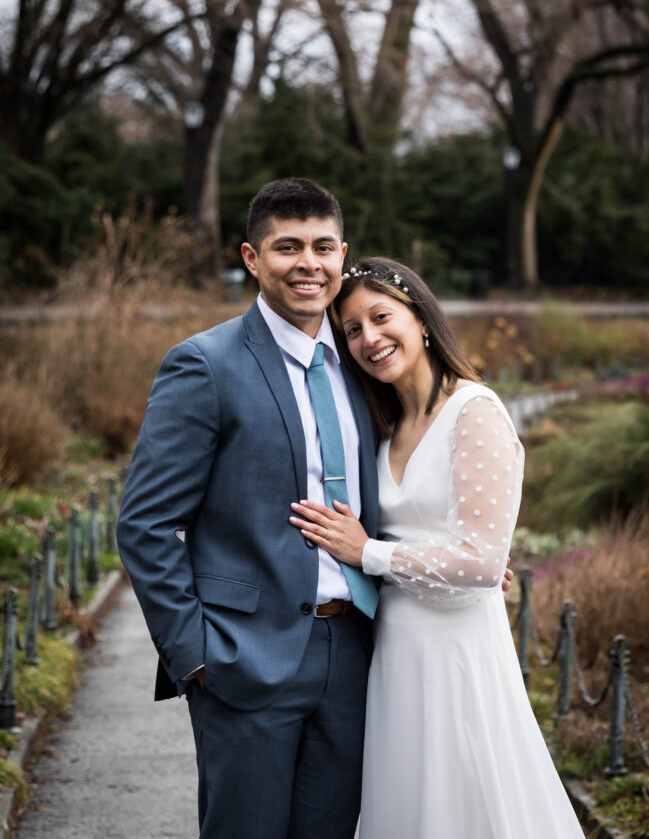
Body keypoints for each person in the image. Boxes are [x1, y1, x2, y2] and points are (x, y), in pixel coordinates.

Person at [117, 178, 379, 839]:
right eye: (286, 247)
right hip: (245, 657)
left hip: (356, 652)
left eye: (322, 247)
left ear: (342, 255)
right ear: (251, 258)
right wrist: (196, 655)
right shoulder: (204, 365)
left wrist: (460, 562)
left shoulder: (365, 367)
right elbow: (145, 524)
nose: (307, 264)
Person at [289, 256, 585, 839]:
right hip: (397, 651)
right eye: (351, 330)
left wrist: (370, 552)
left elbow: (478, 563)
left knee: (465, 800)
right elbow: (441, 549)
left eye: (380, 317)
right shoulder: (386, 425)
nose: (369, 338)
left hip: (457, 651)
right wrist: (414, 563)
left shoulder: (474, 412)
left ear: (421, 318)